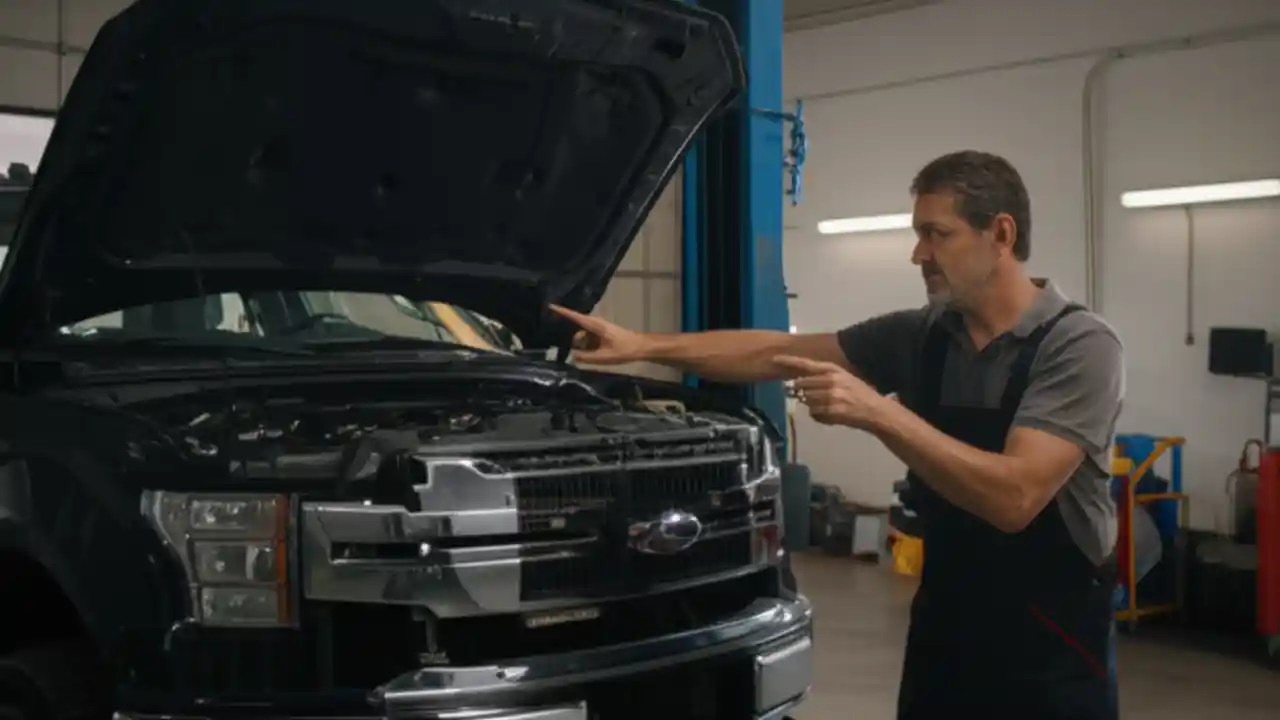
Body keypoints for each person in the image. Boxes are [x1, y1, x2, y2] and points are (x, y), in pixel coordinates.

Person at [550, 150, 1125, 719]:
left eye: (936, 234)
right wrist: (645, 346)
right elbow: (777, 352)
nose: (918, 254)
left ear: (1001, 234)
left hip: (1052, 635)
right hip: (949, 619)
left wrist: (878, 412)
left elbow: (1015, 498)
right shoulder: (923, 336)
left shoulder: (1077, 346)